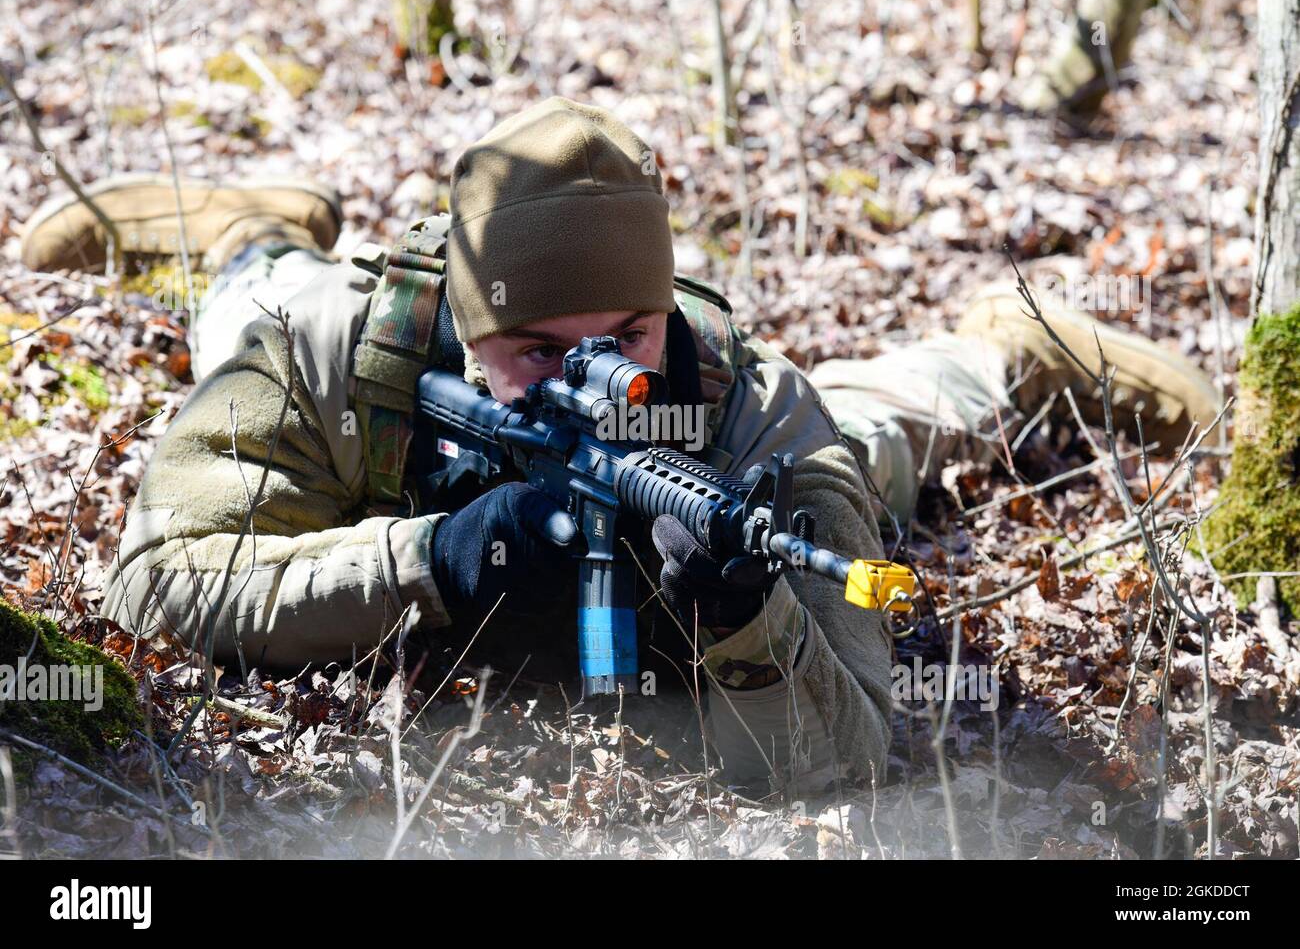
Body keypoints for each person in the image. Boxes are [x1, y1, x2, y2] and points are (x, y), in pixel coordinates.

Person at [19, 97, 1216, 793]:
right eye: (540, 350)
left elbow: (855, 739)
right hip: (320, 337)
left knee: (881, 428)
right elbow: (155, 581)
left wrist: (749, 623)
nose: (601, 381)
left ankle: (1003, 346)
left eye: (630, 338)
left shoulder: (746, 408)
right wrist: (433, 559)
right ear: (465, 315)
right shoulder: (353, 354)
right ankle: (250, 228)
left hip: (802, 431)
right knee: (249, 307)